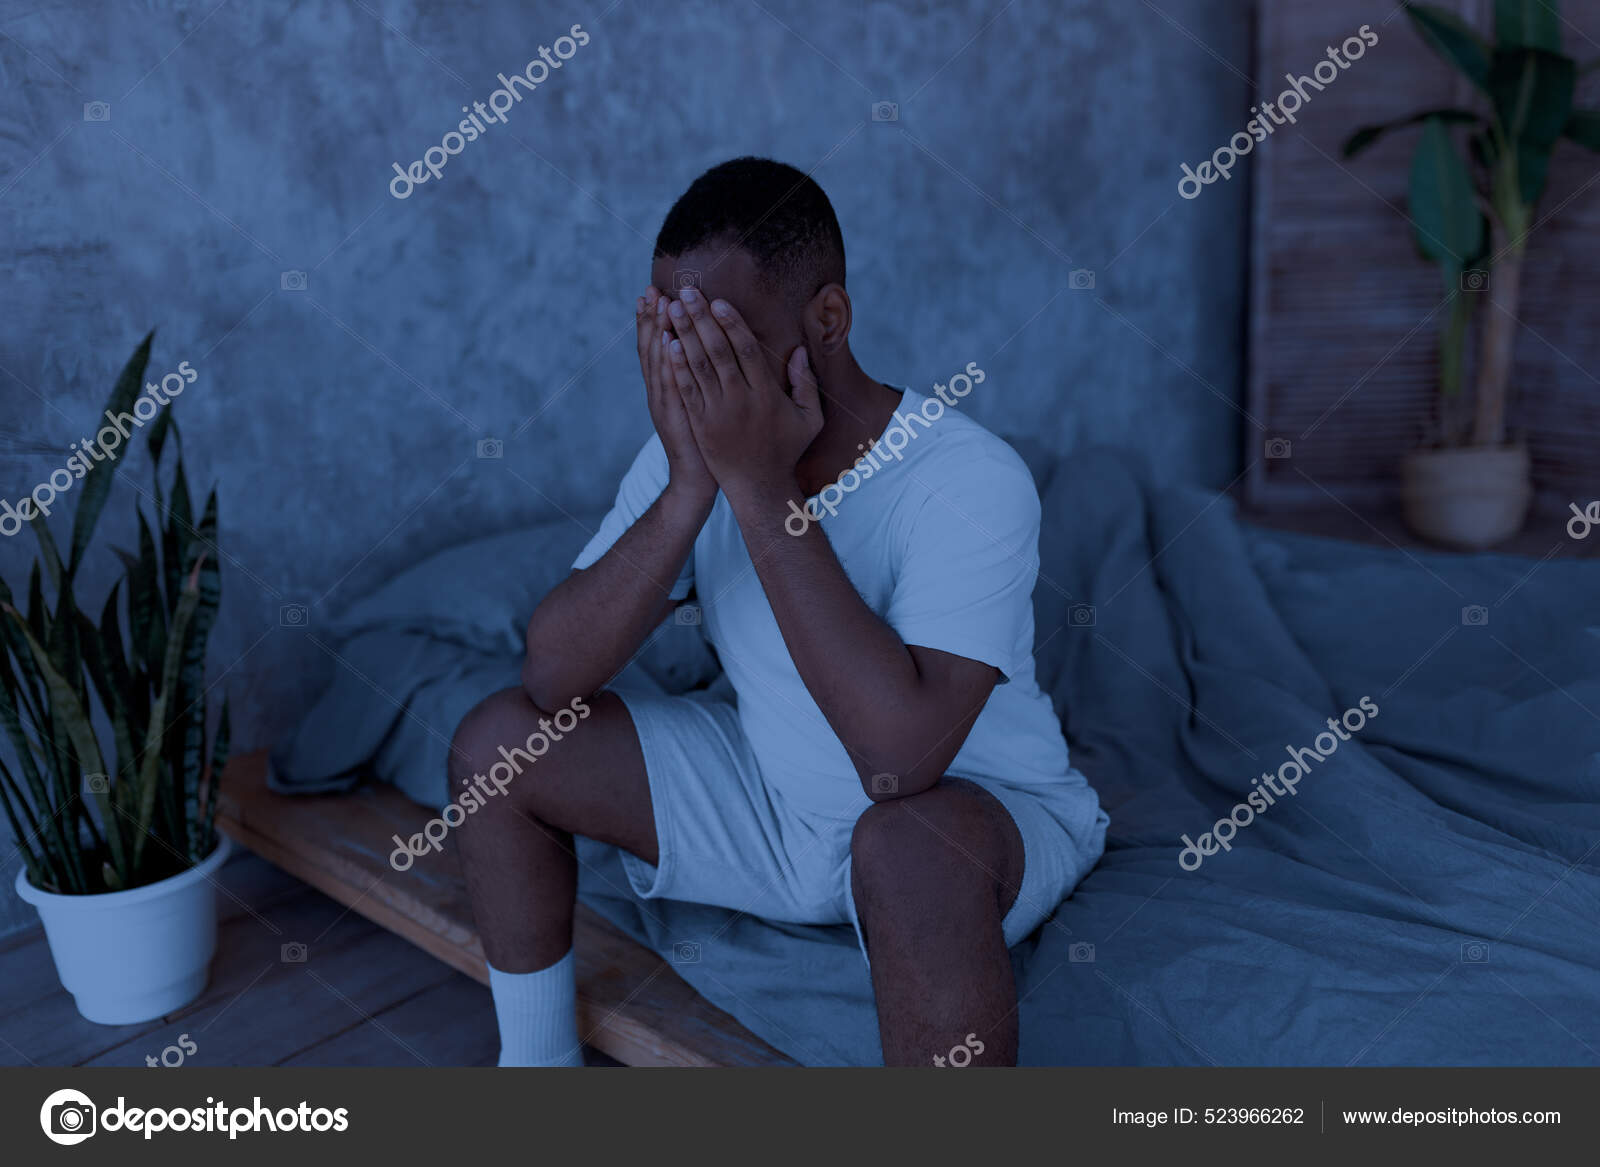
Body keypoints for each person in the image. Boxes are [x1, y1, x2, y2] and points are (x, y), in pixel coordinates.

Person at [452, 157, 1106, 1066]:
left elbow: (899, 763)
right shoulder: (694, 453)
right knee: (498, 742)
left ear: (828, 320)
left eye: (724, 340)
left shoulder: (968, 476)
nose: (698, 370)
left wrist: (760, 489)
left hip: (971, 818)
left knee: (906, 846)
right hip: (778, 802)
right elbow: (550, 673)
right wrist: (690, 487)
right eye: (676, 338)